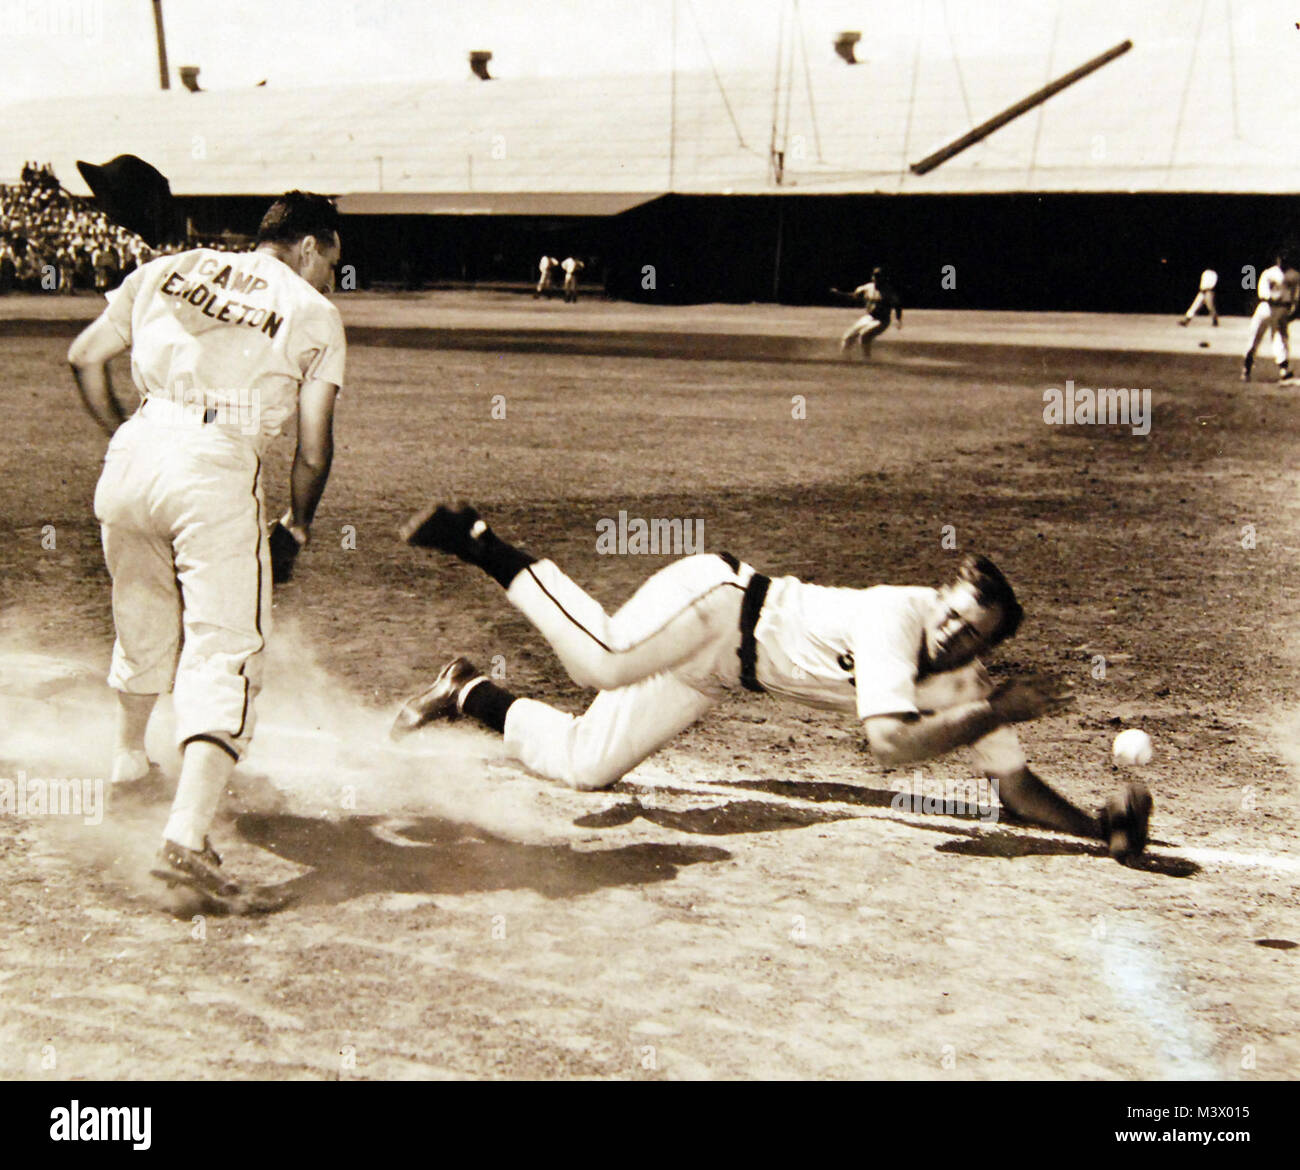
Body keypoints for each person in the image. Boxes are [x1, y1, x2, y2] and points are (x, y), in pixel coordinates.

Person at [392, 504, 1153, 863]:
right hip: (719, 605)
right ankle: (481, 541)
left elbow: (1015, 792)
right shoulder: (898, 614)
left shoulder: (965, 685)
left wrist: (1097, 831)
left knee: (586, 765)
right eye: (954, 614)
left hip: (719, 674)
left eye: (971, 634)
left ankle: (466, 691)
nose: (952, 634)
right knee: (601, 659)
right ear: (940, 595)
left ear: (987, 647)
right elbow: (887, 745)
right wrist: (996, 709)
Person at [67, 190, 346, 911]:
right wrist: (299, 524)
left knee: (143, 618)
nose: (328, 279)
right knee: (225, 649)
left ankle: (129, 764)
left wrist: (127, 441)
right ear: (311, 246)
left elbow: (82, 357)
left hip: (136, 451)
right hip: (216, 461)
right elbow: (313, 449)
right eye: (330, 262)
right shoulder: (313, 312)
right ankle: (186, 836)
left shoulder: (172, 265)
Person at [1242, 254, 1299, 382]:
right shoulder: (1269, 273)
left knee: (1280, 338)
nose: (1283, 261)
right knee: (1255, 337)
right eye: (1282, 259)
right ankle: (1247, 368)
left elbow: (1296, 295)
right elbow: (1262, 292)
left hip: (1281, 308)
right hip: (1266, 307)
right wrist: (1272, 297)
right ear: (1278, 259)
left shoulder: (1294, 275)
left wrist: (1292, 310)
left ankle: (1283, 370)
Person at [836, 267, 903, 358]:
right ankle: (845, 358)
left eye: (879, 276)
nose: (876, 278)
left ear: (884, 278)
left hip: (882, 320)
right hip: (869, 317)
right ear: (872, 277)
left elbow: (897, 306)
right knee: (848, 337)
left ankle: (867, 359)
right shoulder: (867, 287)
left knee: (865, 335)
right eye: (875, 276)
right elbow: (854, 296)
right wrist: (840, 293)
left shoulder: (889, 291)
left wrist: (898, 320)